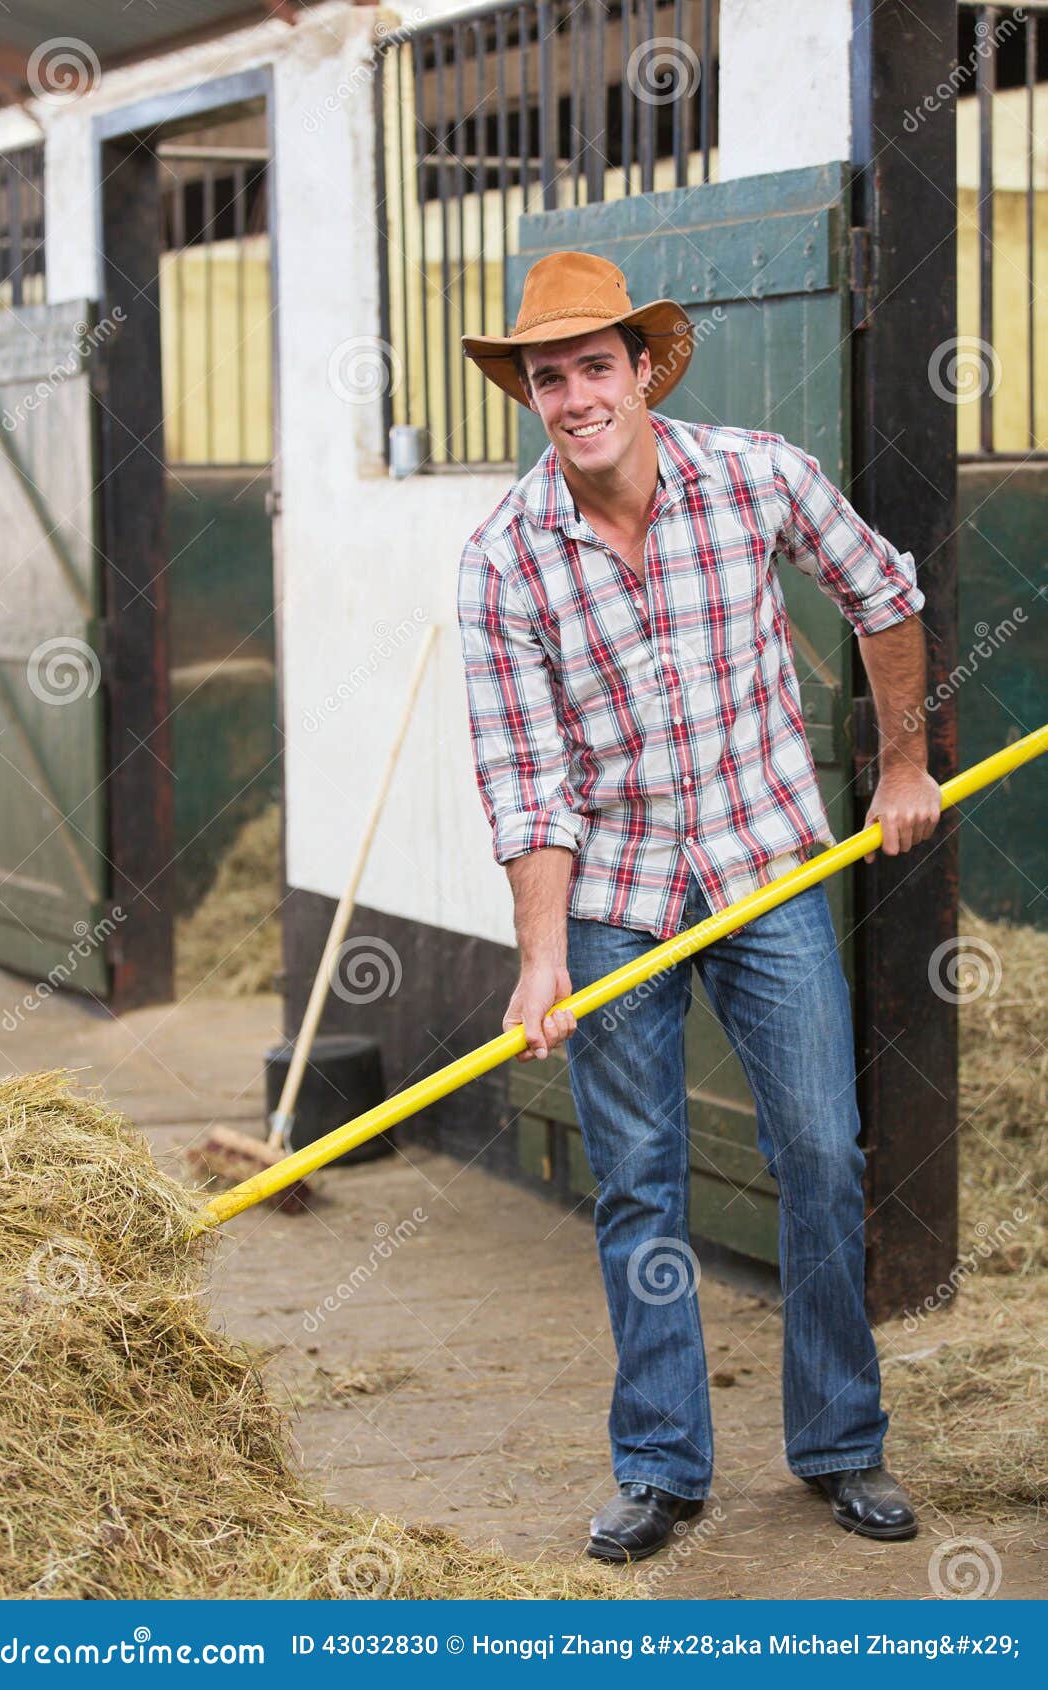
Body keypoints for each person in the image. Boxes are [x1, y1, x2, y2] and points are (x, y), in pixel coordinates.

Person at [456, 251, 941, 1563]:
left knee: (822, 1155)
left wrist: (902, 761)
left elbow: (884, 591)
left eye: (593, 366)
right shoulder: (506, 558)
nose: (573, 396)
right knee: (639, 1187)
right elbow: (526, 778)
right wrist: (542, 956)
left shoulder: (757, 475)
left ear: (644, 368)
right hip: (615, 897)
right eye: (547, 376)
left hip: (765, 862)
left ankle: (841, 1438)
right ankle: (663, 1464)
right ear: (532, 393)